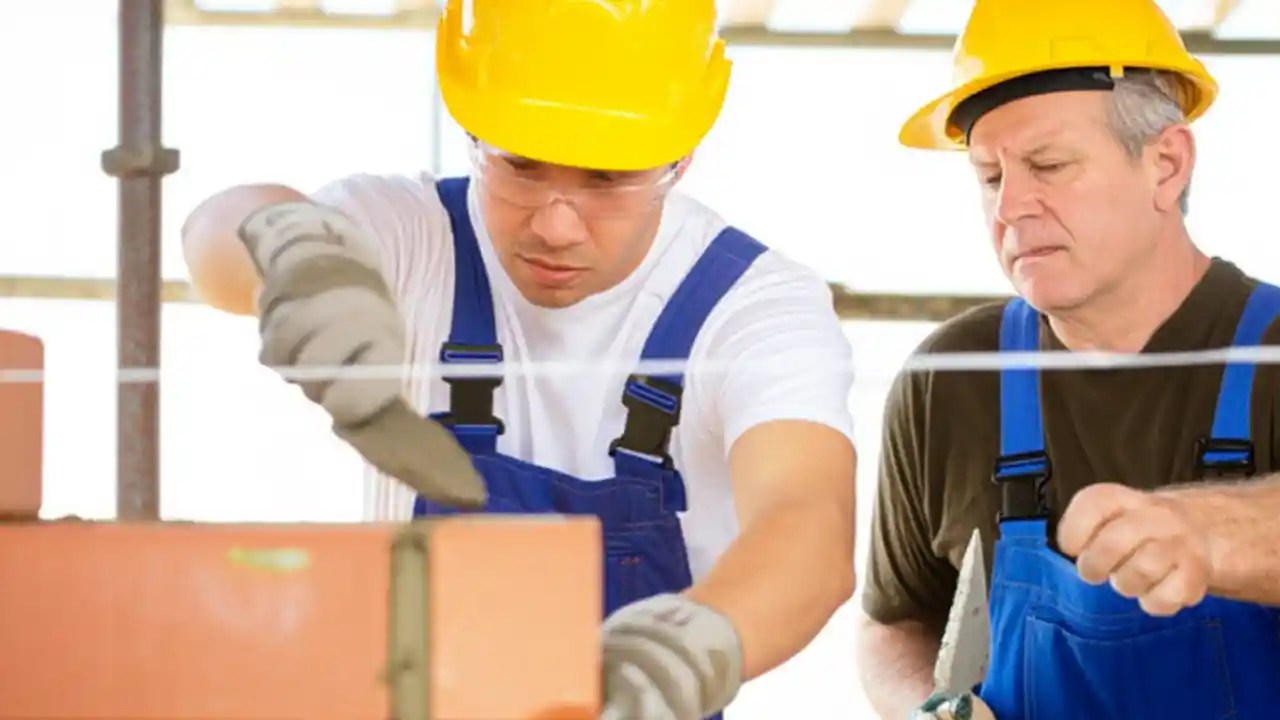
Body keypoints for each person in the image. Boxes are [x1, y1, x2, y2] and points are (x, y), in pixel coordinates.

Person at [181, 1, 858, 718]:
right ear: (473, 134)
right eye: (522, 165)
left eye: (607, 177)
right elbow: (213, 239)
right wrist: (298, 255)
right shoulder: (412, 238)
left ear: (681, 157)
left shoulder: (753, 307)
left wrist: (679, 657)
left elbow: (807, 528)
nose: (556, 225)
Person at [855, 0, 1280, 718]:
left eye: (1048, 165)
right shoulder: (950, 379)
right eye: (990, 177)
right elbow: (894, 622)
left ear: (1167, 164)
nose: (1011, 206)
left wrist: (1218, 531)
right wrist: (926, 708)